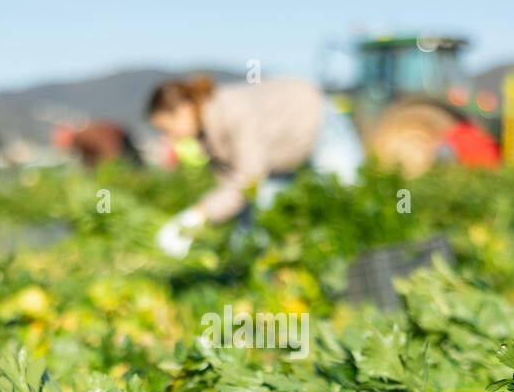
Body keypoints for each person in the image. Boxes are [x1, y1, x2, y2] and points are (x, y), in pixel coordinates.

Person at [148, 76, 364, 258]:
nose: (169, 136)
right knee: (264, 221)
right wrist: (200, 218)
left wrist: (199, 215)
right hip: (277, 159)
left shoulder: (234, 110)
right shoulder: (205, 134)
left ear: (183, 110)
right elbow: (233, 187)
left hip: (317, 122)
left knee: (347, 197)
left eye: (167, 128)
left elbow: (247, 180)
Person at [53, 121, 141, 168]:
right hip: (114, 145)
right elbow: (87, 163)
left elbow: (111, 152)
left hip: (122, 141)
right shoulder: (81, 145)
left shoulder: (90, 136)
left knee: (135, 167)